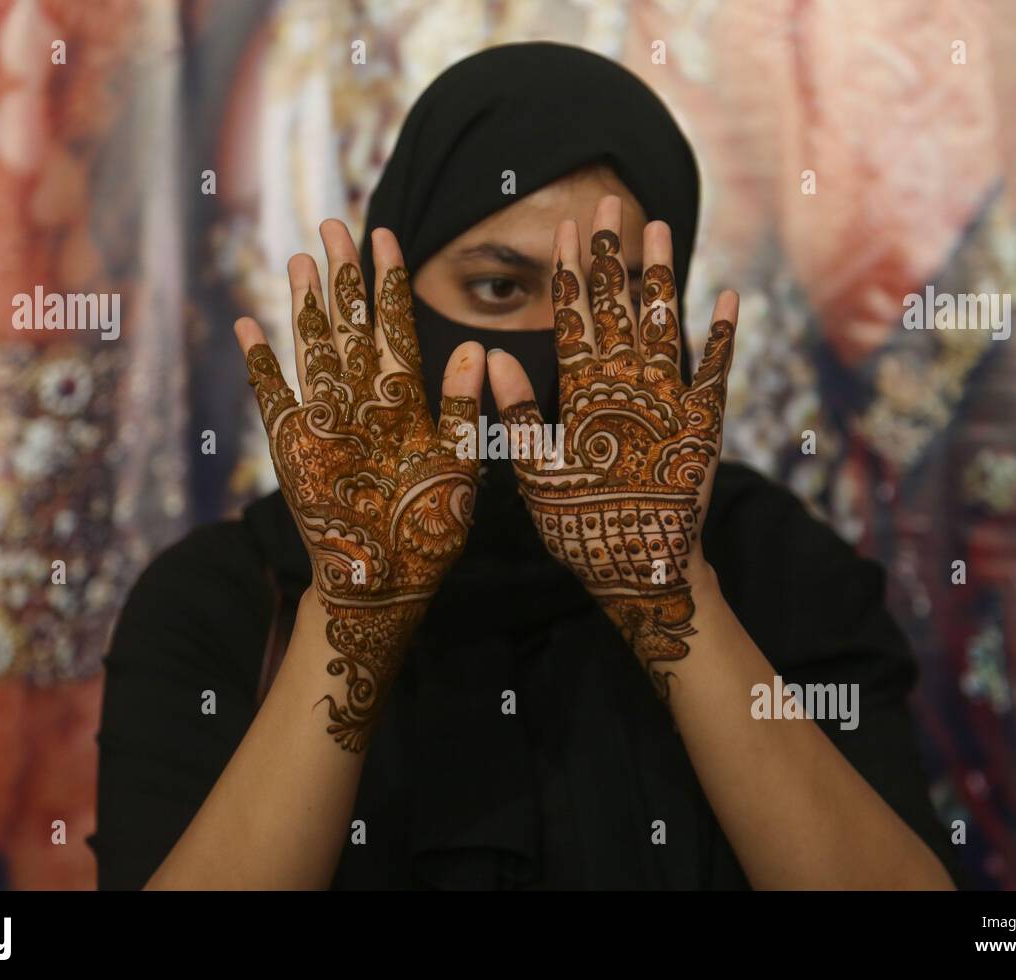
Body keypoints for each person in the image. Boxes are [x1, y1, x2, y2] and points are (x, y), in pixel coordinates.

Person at [91, 41, 960, 890]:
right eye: (499, 290)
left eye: (605, 297)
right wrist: (354, 613)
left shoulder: (773, 568)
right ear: (390, 306)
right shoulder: (225, 602)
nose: (538, 365)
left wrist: (672, 601)